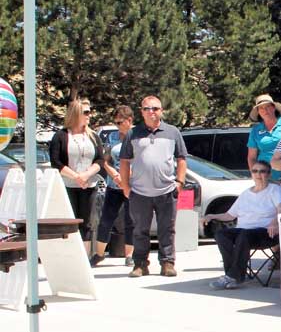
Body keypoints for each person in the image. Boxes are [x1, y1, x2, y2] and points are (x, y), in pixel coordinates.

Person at [120, 95, 188, 278]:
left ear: (162, 111)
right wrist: (125, 186)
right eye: (147, 109)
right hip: (139, 192)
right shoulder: (132, 134)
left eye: (155, 108)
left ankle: (167, 263)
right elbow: (125, 162)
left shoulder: (173, 132)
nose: (152, 112)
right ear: (141, 112)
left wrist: (179, 182)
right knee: (140, 230)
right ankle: (140, 264)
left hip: (166, 191)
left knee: (167, 228)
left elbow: (182, 159)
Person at [201, 160, 281, 289]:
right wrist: (211, 215)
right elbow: (230, 215)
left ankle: (234, 276)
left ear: (268, 174)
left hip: (265, 232)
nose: (258, 174)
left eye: (262, 171)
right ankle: (232, 274)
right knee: (221, 234)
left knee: (244, 235)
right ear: (251, 174)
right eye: (255, 171)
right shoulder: (246, 194)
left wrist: (275, 222)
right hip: (243, 232)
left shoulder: (274, 189)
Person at [48, 99, 104, 243]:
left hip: (89, 185)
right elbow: (56, 162)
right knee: (70, 222)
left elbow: (100, 160)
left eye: (90, 112)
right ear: (76, 113)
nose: (89, 115)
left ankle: (85, 260)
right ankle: (70, 256)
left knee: (87, 223)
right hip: (67, 186)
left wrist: (86, 175)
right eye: (86, 112)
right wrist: (76, 177)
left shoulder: (93, 136)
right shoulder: (61, 136)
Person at [91, 105, 136, 267]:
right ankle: (99, 253)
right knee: (106, 219)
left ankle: (129, 255)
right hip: (114, 185)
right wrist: (114, 175)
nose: (117, 125)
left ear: (129, 121)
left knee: (130, 221)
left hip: (132, 185)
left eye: (119, 122)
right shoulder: (113, 138)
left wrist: (128, 177)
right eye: (115, 122)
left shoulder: (137, 137)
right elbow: (105, 160)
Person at [247, 93, 281, 183]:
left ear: (273, 107)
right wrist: (255, 176)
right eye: (261, 108)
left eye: (267, 107)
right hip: (265, 179)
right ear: (258, 112)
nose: (265, 110)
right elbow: (251, 157)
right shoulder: (255, 130)